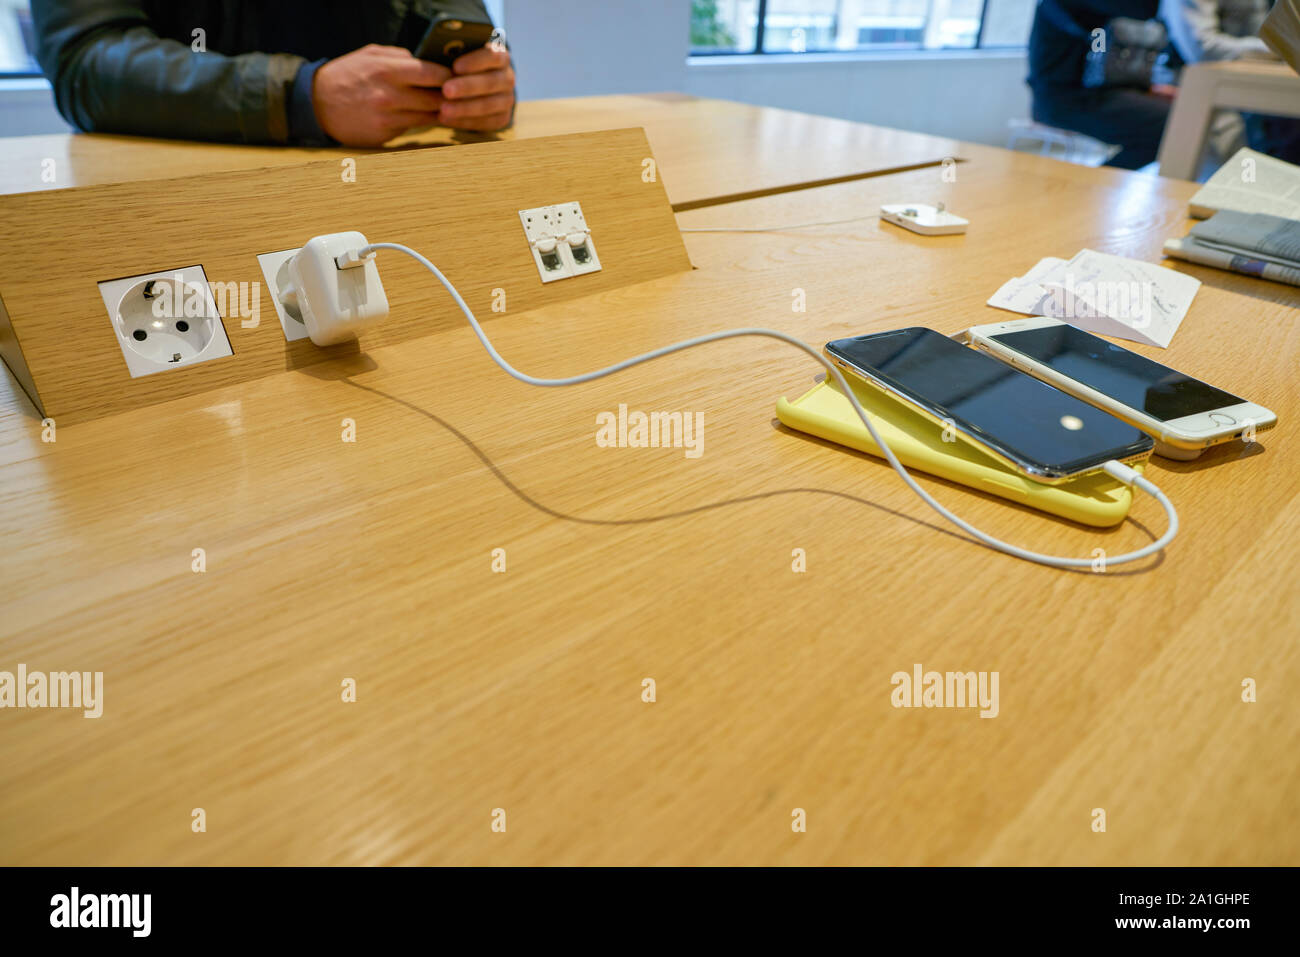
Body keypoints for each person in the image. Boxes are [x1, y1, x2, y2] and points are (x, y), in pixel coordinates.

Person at [31, 1, 515, 148]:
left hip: (385, 190)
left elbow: (470, 29)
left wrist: (489, 73)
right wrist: (301, 96)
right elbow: (86, 63)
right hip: (162, 210)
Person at [1027, 0, 1173, 169]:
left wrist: (1147, 89)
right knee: (1171, 123)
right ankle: (1092, 188)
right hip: (1065, 98)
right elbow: (1144, 9)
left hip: (1087, 92)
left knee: (1176, 119)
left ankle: (1095, 187)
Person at [1162, 0, 1300, 163]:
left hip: (1251, 78)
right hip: (1195, 85)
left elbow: (1260, 30)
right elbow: (1203, 48)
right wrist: (1279, 46)